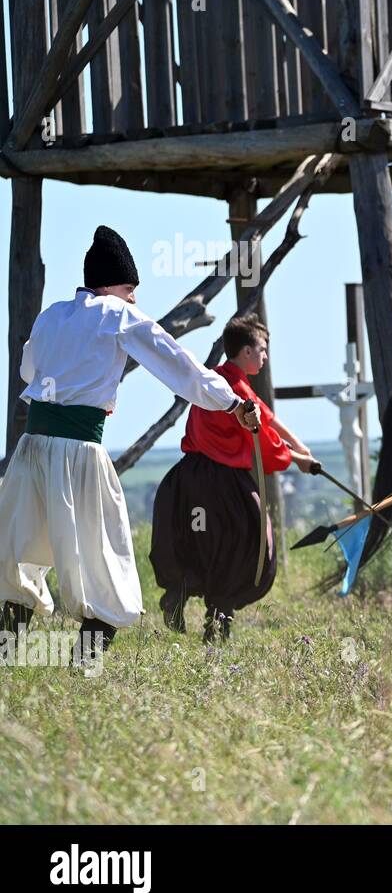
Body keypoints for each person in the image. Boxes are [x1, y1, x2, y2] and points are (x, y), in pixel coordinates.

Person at [0, 225, 258, 659]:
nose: (134, 298)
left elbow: (29, 370)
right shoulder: (117, 315)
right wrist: (232, 402)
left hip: (30, 451)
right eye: (129, 287)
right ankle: (87, 671)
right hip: (77, 454)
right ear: (108, 285)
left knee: (17, 558)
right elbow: (179, 364)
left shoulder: (50, 315)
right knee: (108, 561)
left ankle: (7, 661)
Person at [150, 314, 318, 641]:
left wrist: (301, 448)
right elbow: (264, 441)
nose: (266, 356)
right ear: (246, 352)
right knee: (246, 544)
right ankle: (219, 620)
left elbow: (266, 420)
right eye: (262, 349)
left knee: (199, 541)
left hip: (187, 478)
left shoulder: (216, 379)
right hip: (222, 482)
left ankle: (180, 593)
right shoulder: (236, 388)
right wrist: (298, 460)